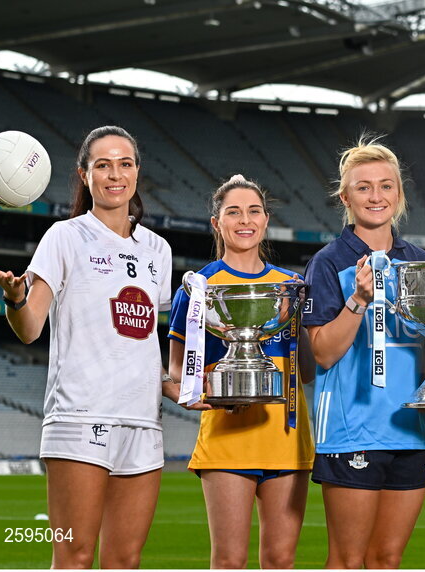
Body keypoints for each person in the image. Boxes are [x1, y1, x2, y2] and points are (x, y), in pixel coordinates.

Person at [0, 126, 172, 569]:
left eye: (124, 164)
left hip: (142, 421)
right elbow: (29, 328)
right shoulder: (64, 236)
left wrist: (179, 383)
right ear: (85, 175)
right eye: (103, 165)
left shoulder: (158, 250)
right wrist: (14, 296)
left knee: (125, 561)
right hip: (80, 419)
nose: (114, 174)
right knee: (74, 557)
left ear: (137, 172)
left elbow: (147, 340)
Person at [166, 174, 314, 569]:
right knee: (230, 561)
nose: (244, 220)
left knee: (281, 560)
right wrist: (201, 395)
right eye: (233, 212)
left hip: (286, 438)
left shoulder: (292, 289)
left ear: (265, 220)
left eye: (253, 211)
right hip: (227, 441)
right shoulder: (199, 288)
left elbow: (308, 369)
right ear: (217, 223)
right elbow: (175, 374)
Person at [302, 136, 425, 569]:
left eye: (385, 186)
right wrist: (358, 300)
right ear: (345, 196)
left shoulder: (420, 261)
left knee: (387, 559)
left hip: (411, 431)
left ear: (399, 194)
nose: (375, 196)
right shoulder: (328, 262)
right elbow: (321, 353)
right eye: (363, 187)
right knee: (346, 559)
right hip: (350, 430)